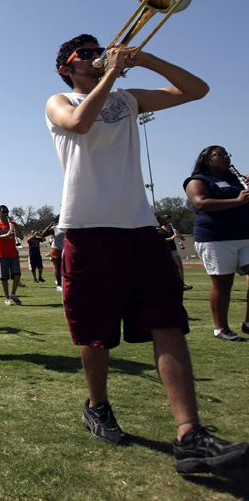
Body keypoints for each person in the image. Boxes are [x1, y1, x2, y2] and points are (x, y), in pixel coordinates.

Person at [47, 34, 248, 472]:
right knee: (95, 333)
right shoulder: (58, 99)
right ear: (67, 66)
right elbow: (80, 122)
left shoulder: (128, 97)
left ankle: (190, 435)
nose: (97, 55)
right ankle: (97, 406)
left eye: (100, 49)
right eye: (86, 54)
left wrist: (147, 58)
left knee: (168, 321)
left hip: (139, 228)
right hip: (87, 228)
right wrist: (114, 72)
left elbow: (196, 90)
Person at [183, 146, 249, 342]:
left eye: (228, 154)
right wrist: (238, 200)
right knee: (223, 284)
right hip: (216, 238)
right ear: (207, 159)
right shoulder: (198, 181)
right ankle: (221, 328)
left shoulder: (236, 181)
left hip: (244, 235)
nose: (226, 157)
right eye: (220, 154)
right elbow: (201, 203)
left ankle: (247, 323)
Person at [0, 205, 22, 305]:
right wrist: (6, 235)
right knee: (4, 278)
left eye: (7, 211)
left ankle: (13, 293)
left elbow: (21, 237)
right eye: (4, 211)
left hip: (13, 253)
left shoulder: (12, 223)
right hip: (2, 254)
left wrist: (15, 229)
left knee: (17, 274)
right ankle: (7, 298)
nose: (6, 213)